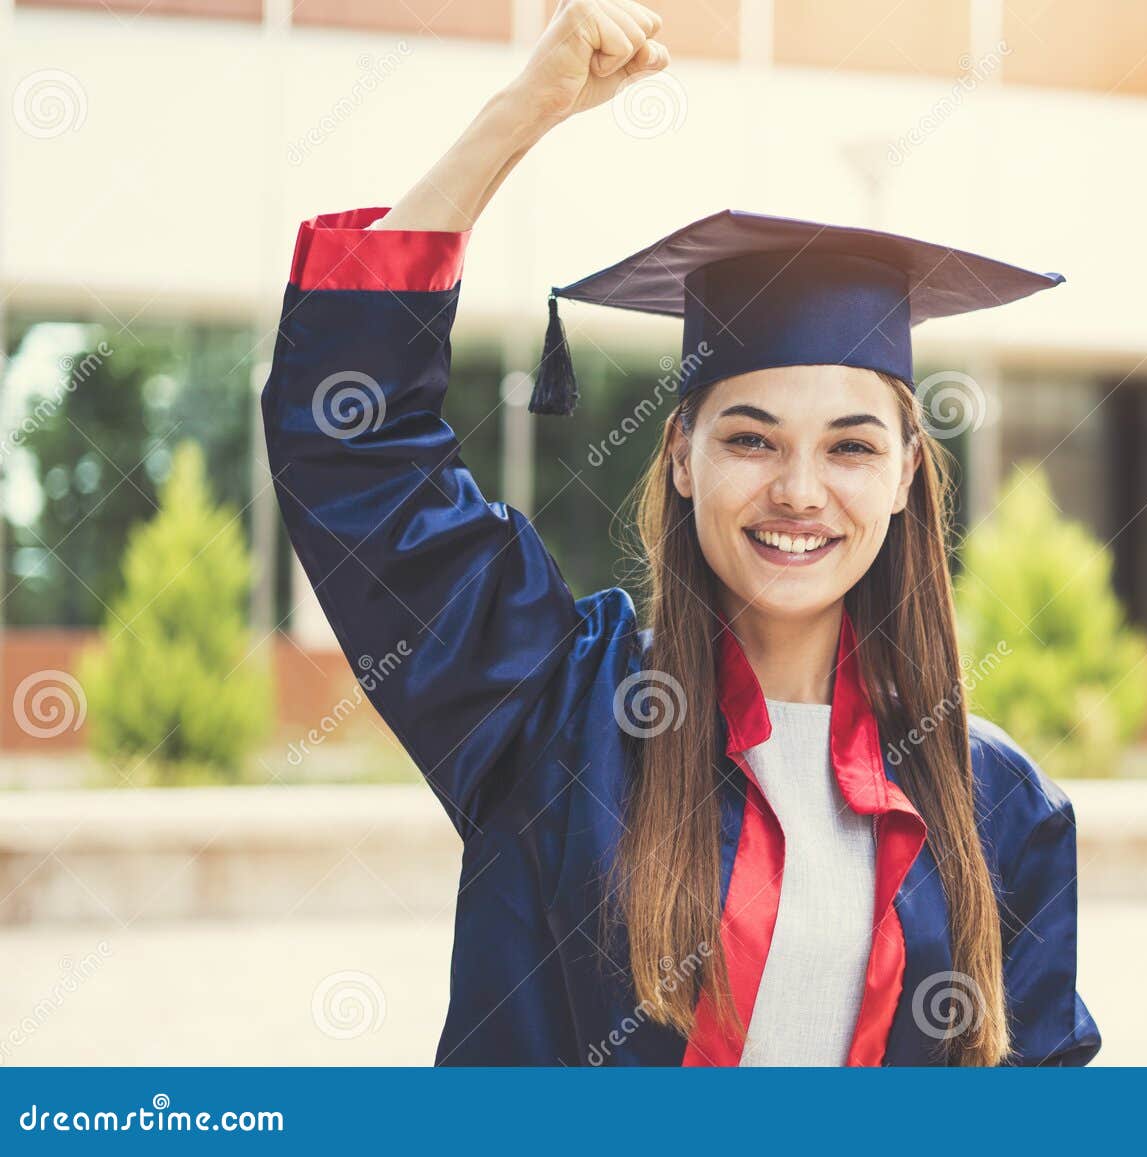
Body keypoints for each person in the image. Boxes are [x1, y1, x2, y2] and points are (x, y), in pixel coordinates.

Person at [262, 0, 1100, 1067]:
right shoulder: (553, 716)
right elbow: (354, 442)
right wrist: (520, 114)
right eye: (751, 439)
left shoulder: (998, 803)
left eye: (850, 447)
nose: (800, 490)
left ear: (904, 479)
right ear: (680, 455)